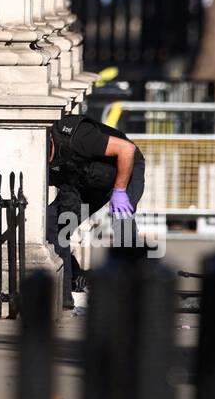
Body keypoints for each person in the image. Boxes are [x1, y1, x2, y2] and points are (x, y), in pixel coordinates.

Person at [45, 112, 145, 311]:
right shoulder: (41, 158)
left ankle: (136, 291)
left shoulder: (79, 137)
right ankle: (65, 296)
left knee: (122, 221)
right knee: (54, 225)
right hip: (84, 181)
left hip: (125, 166)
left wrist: (119, 191)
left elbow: (127, 150)